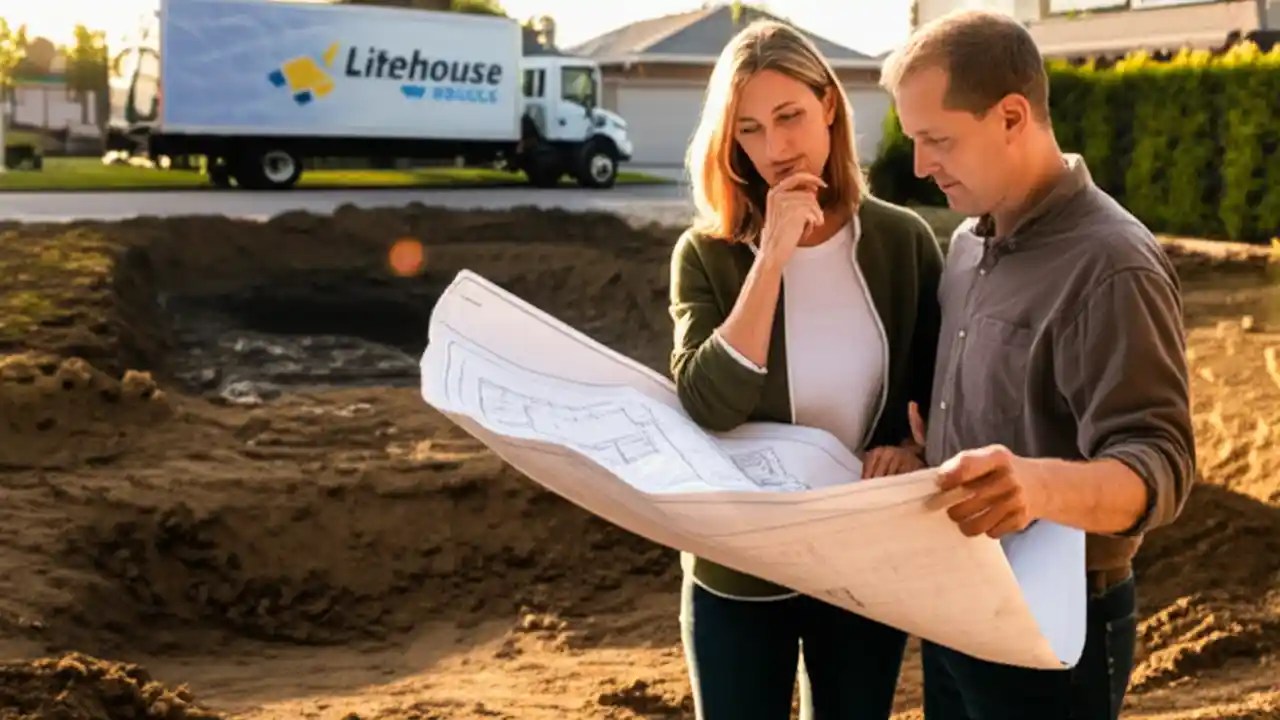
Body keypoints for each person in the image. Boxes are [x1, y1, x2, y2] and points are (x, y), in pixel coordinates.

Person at [879, 9, 1196, 720]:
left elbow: (1163, 464)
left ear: (1013, 117)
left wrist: (1037, 487)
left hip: (1055, 624)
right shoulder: (965, 244)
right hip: (958, 602)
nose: (923, 165)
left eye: (938, 140)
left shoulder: (1113, 264)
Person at [668, 18, 946, 720]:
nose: (774, 147)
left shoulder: (901, 241)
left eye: (788, 116)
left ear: (828, 105)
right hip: (739, 566)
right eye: (750, 130)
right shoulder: (706, 255)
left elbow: (944, 389)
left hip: (863, 559)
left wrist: (913, 447)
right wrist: (772, 256)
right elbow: (709, 402)